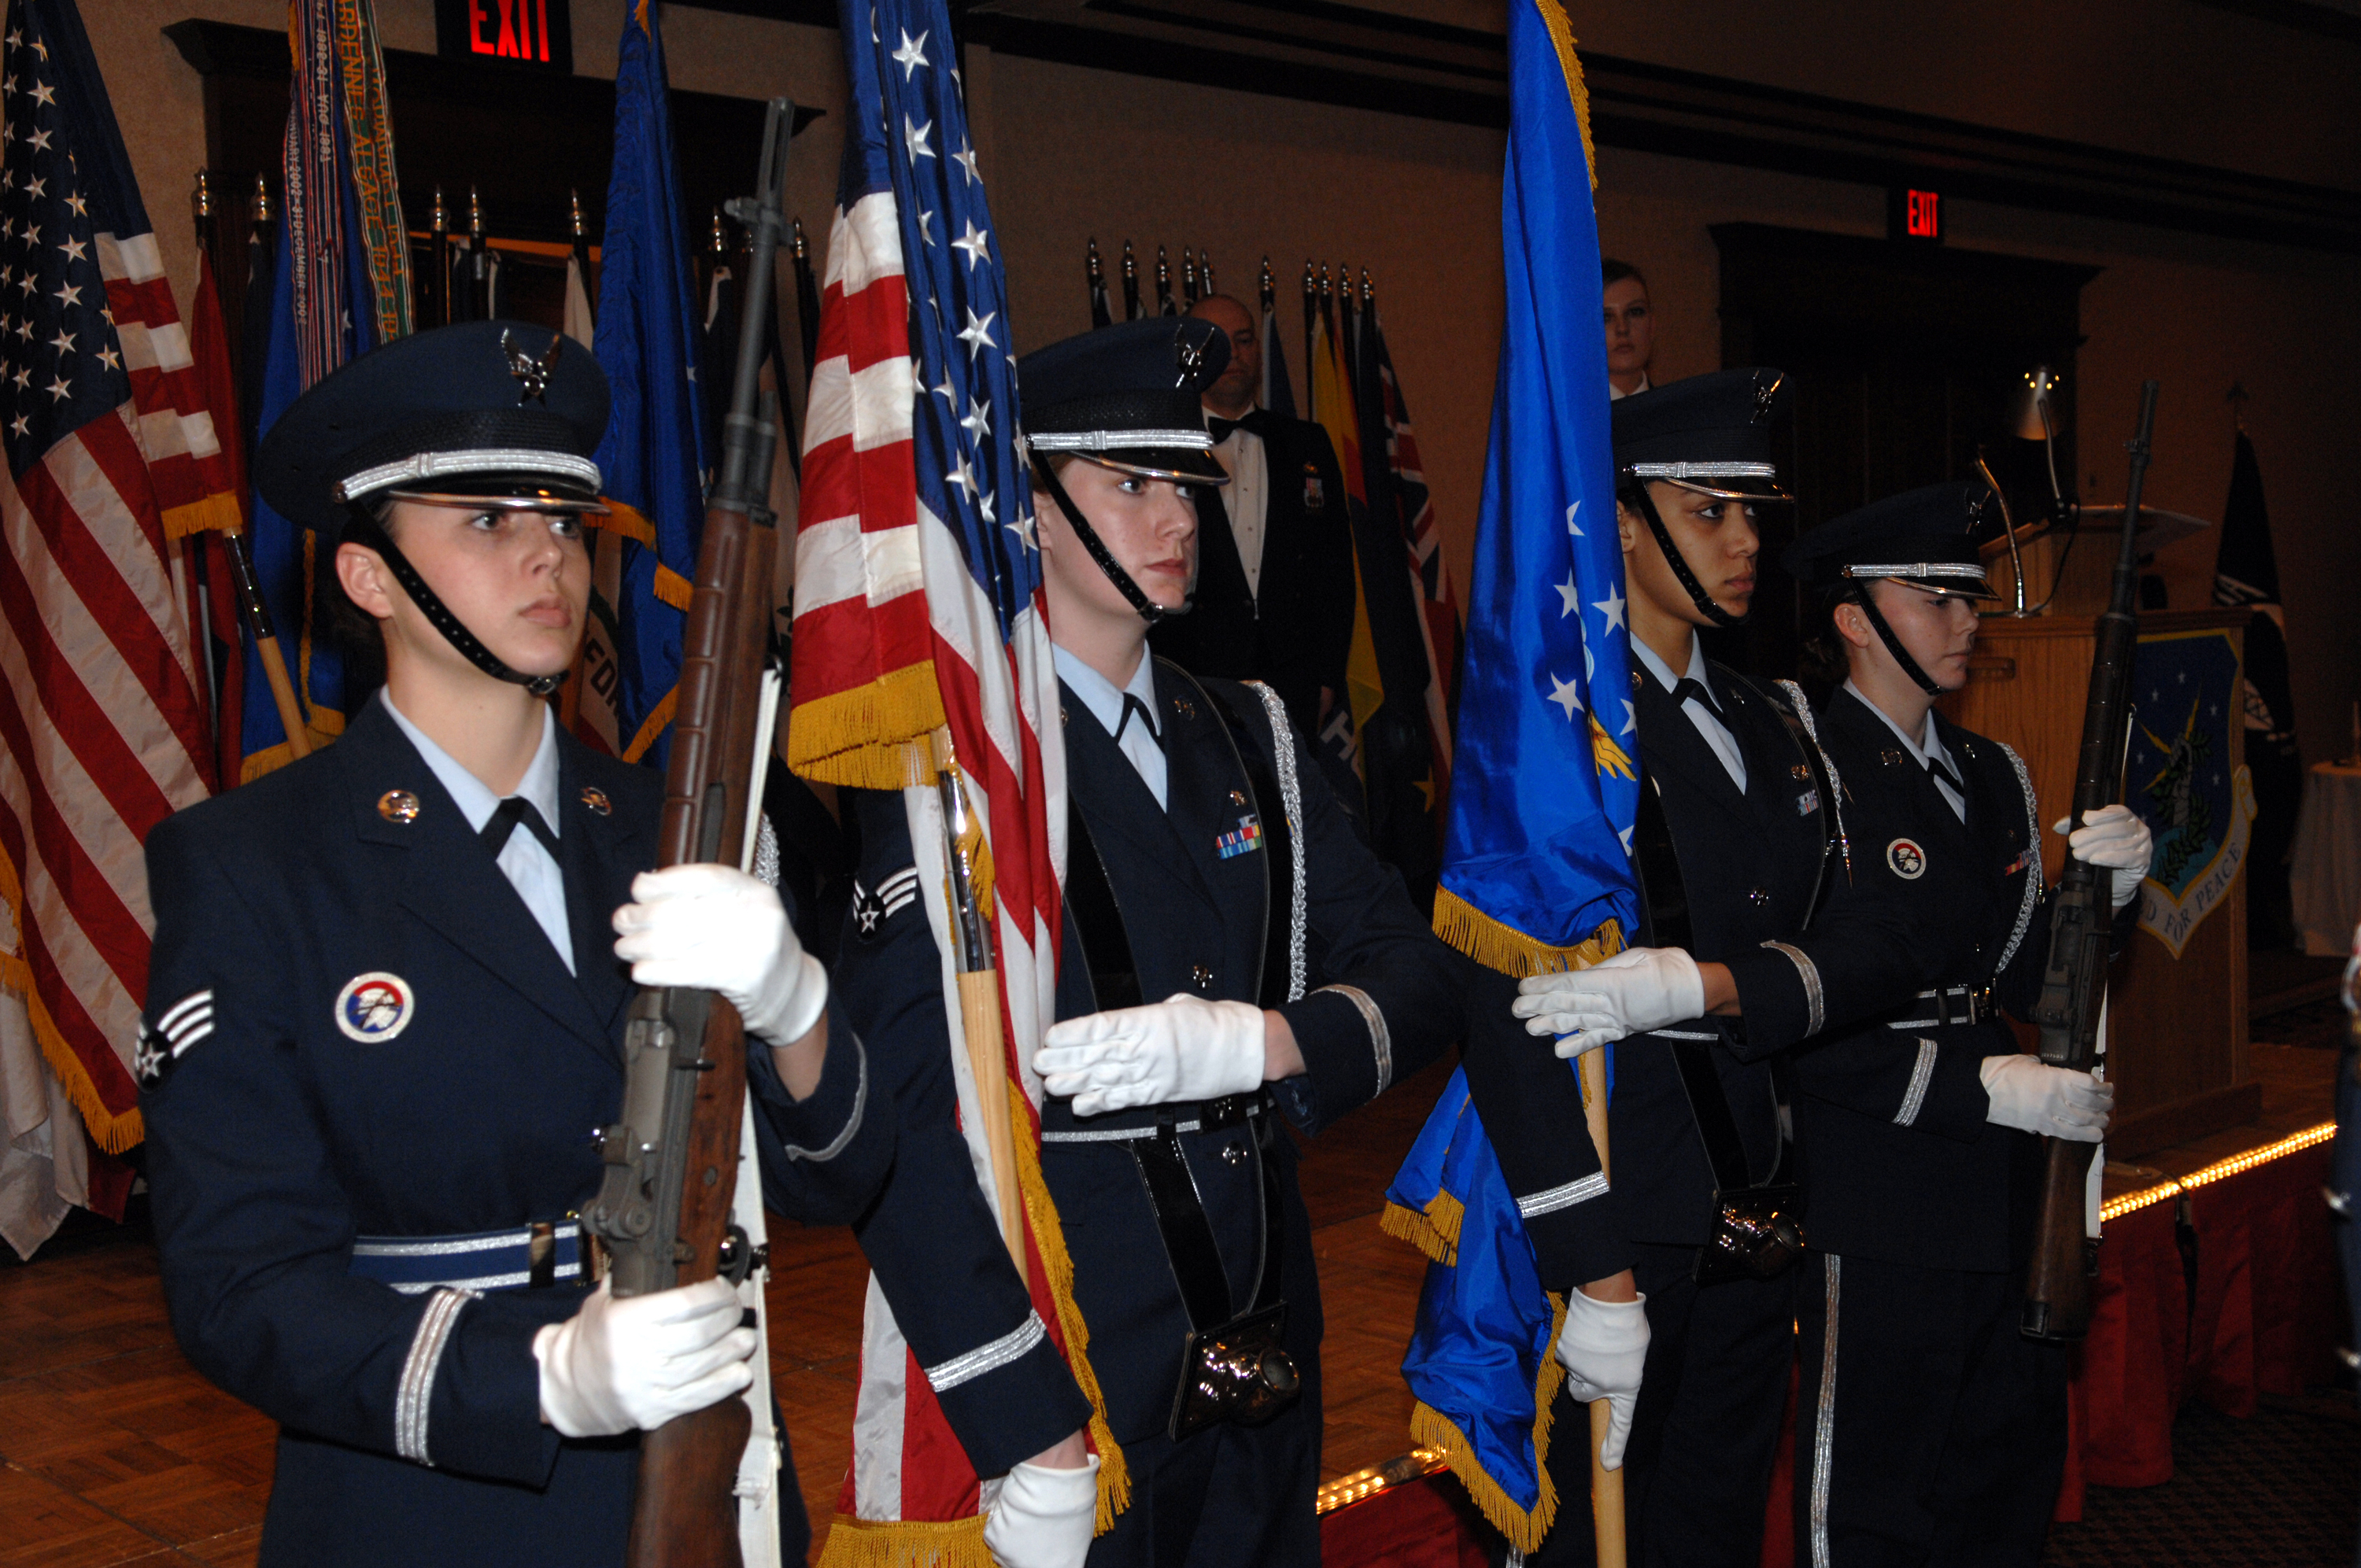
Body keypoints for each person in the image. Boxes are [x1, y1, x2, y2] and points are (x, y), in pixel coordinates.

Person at [137, 321, 891, 1566]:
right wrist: (537, 1373)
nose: (549, 553)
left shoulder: (677, 826)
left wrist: (798, 1007)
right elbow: (238, 1285)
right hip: (425, 1501)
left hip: (710, 1477)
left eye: (563, 520)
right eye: (487, 520)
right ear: (371, 578)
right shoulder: (253, 866)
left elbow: (837, 1180)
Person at [831, 315, 1462, 1566]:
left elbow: (1419, 974)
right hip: (1081, 1355)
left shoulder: (1252, 734)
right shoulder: (960, 770)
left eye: (1187, 482)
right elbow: (904, 1125)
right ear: (1035, 511)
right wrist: (1019, 1412)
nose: (1179, 518)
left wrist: (1269, 1043)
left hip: (1268, 1329)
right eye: (1132, 484)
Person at [1503, 370, 1943, 1567]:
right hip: (1624, 1204)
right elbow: (1505, 1014)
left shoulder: (1778, 717)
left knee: (1714, 1521)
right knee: (1589, 1532)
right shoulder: (1562, 728)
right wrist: (1588, 1257)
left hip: (1763, 1195)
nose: (1747, 541)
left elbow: (1881, 942)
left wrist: (1708, 985)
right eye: (1708, 512)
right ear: (1622, 525)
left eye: (1751, 512)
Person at [1779, 481, 2149, 1567]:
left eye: (1970, 599)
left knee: (2002, 1480)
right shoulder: (1805, 769)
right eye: (1935, 598)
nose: (1966, 621)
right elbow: (1789, 1005)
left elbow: (2029, 979)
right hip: (1879, 1174)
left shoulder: (1993, 774)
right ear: (1854, 617)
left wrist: (2108, 899)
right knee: (1875, 1498)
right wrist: (1975, 1086)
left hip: (2001, 1180)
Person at [1145, 293, 1355, 738]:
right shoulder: (1160, 449)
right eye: (1218, 343)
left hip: (1294, 681)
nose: (1234, 354)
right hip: (1196, 677)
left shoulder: (1306, 444)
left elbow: (1334, 567)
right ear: (1189, 355)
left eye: (1244, 341)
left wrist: (1326, 679)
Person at [1602, 259, 1654, 400]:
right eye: (1606, 317)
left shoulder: (1683, 411)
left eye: (1635, 312)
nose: (1623, 329)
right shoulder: (1561, 412)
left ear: (1652, 325)